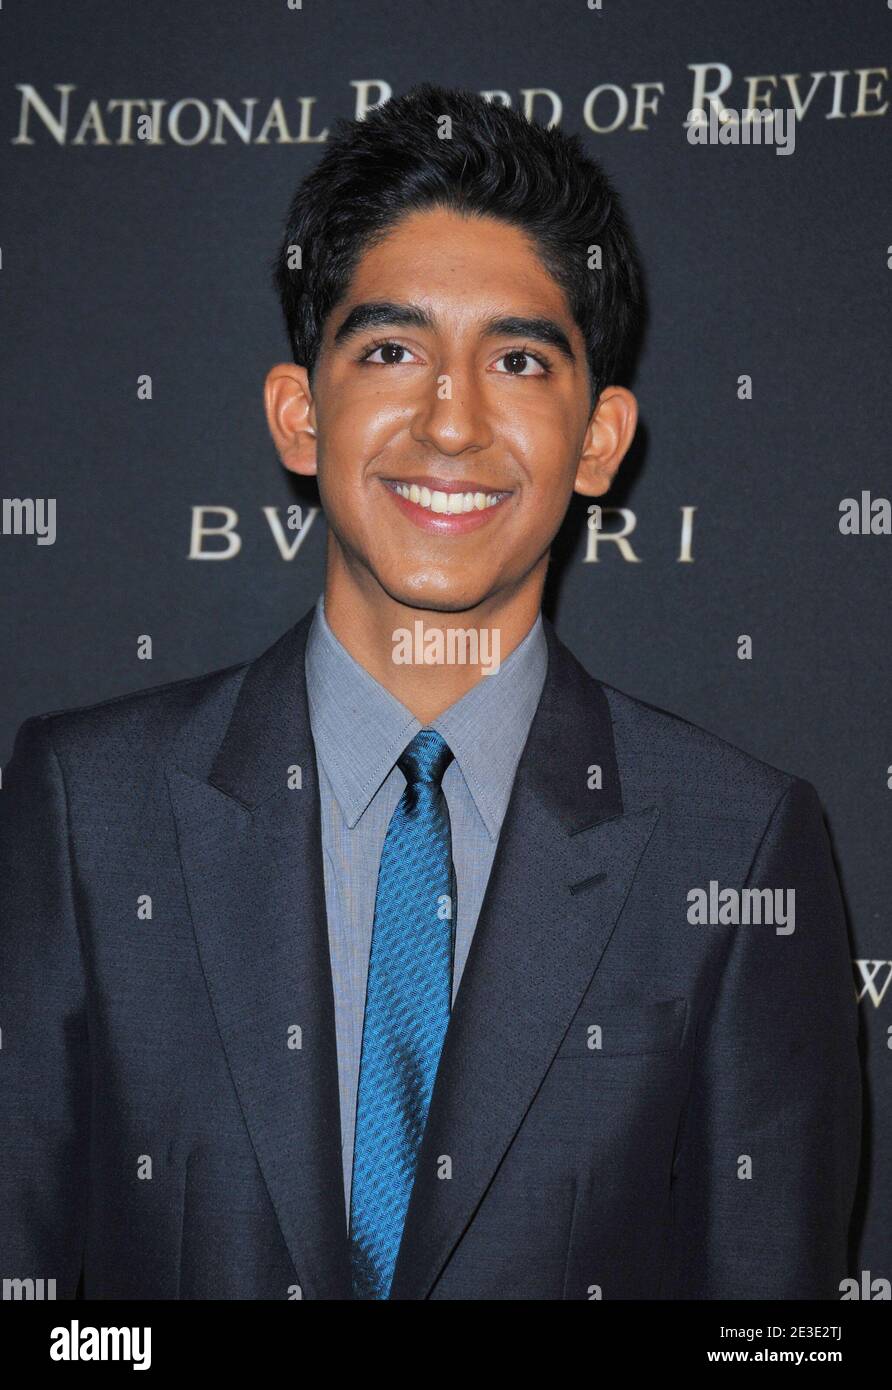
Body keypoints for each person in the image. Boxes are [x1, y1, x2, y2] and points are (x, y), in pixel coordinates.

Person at [0, 83, 860, 1300]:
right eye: (392, 350)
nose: (451, 421)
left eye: (517, 359)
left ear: (600, 440)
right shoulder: (90, 811)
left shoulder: (737, 848)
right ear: (300, 414)